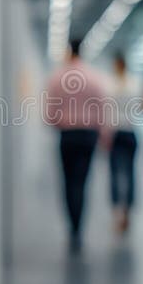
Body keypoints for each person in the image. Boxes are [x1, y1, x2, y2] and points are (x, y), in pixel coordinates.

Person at [45, 39, 107, 253]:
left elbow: (50, 113)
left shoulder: (58, 77)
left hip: (68, 135)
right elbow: (101, 108)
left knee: (68, 181)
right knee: (82, 180)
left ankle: (73, 227)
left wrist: (60, 122)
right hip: (88, 136)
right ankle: (79, 227)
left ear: (68, 50)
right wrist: (103, 134)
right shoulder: (93, 77)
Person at [109, 53, 139, 235]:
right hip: (130, 132)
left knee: (115, 173)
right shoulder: (134, 84)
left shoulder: (112, 85)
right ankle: (126, 211)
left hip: (118, 132)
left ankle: (118, 212)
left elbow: (108, 112)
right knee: (129, 172)